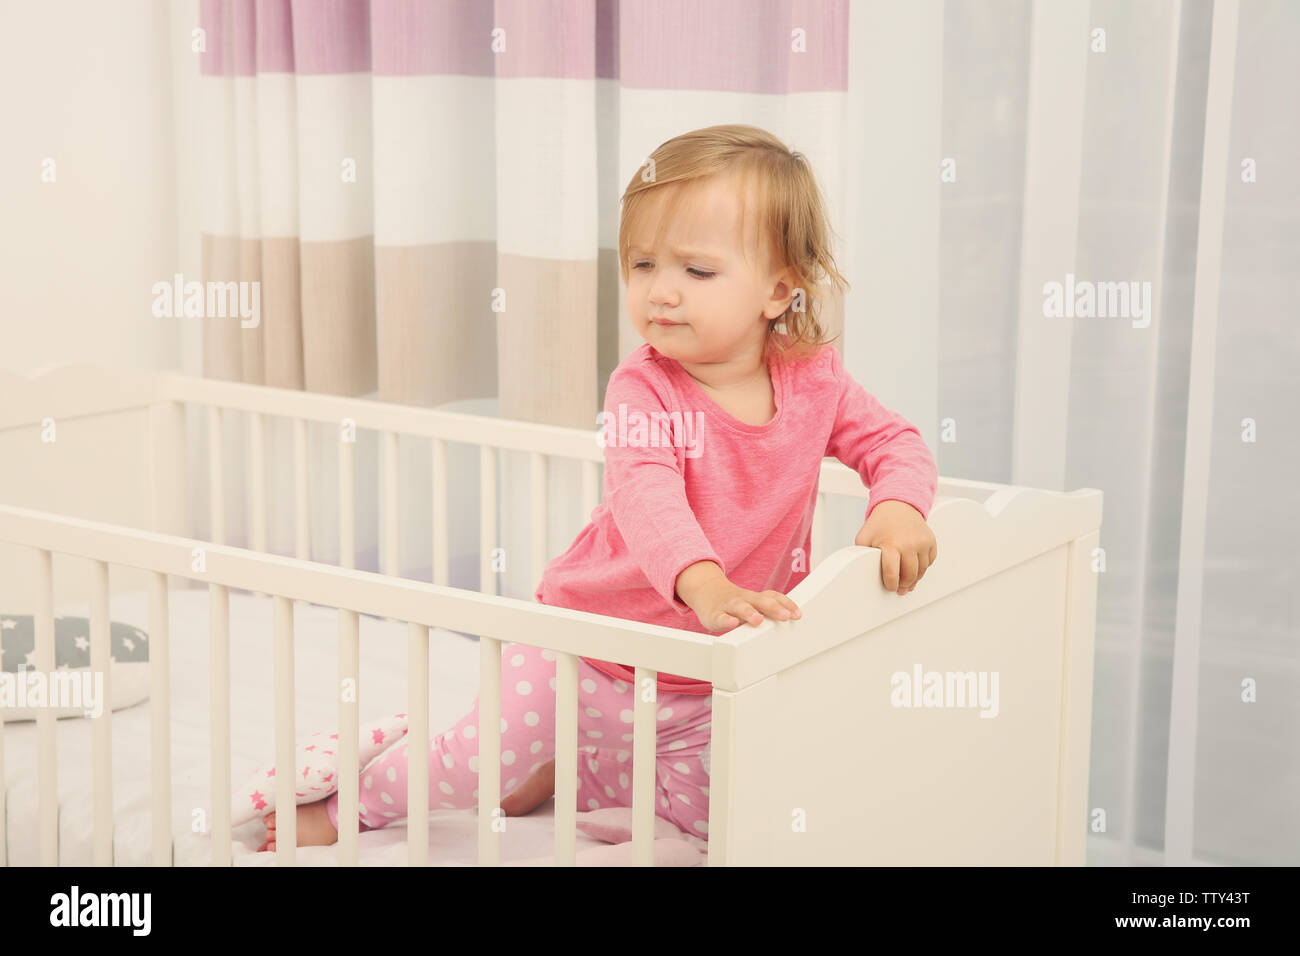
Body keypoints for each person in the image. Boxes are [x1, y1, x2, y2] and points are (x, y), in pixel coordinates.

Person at [261, 124, 938, 852]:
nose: (661, 292)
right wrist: (705, 583)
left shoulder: (815, 381)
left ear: (778, 290)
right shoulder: (643, 389)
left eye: (696, 271)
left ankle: (567, 768)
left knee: (724, 817)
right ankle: (347, 812)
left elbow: (892, 441)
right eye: (642, 264)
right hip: (582, 645)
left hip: (697, 679)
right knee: (476, 758)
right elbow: (648, 498)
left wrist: (898, 508)